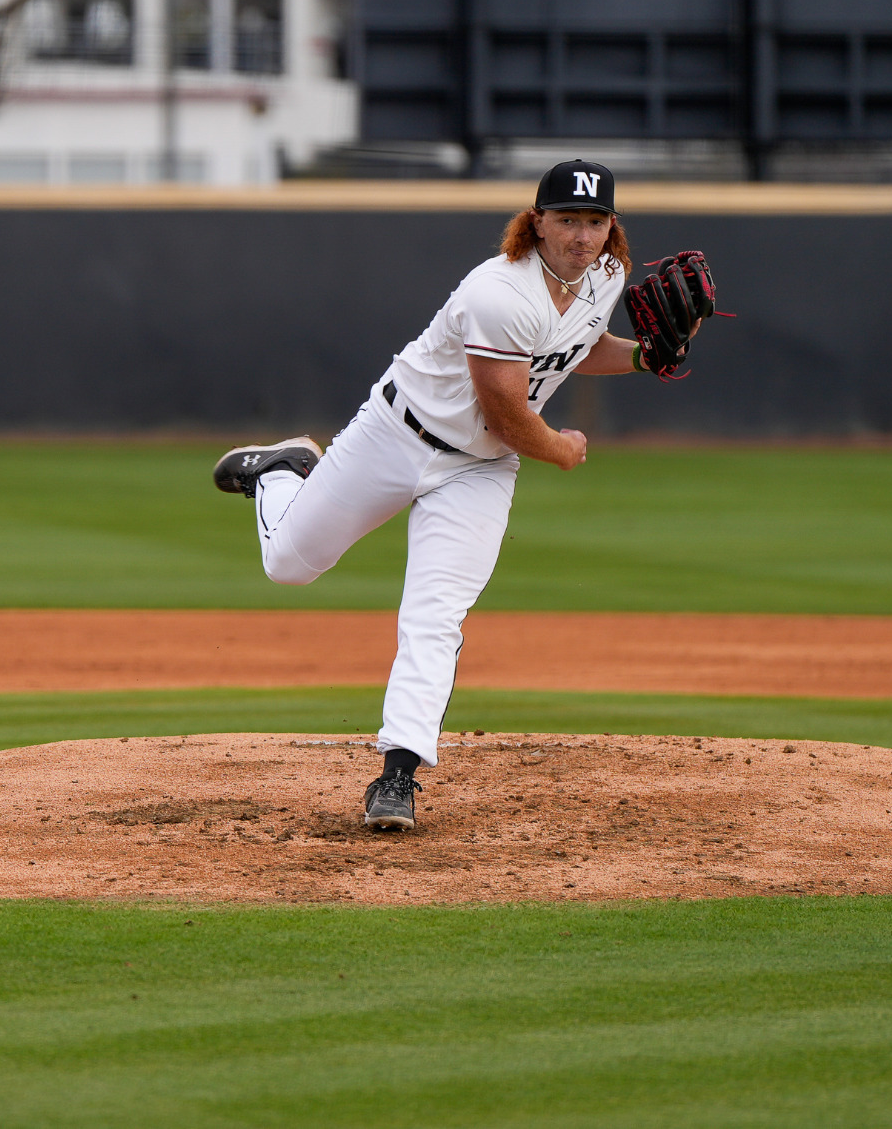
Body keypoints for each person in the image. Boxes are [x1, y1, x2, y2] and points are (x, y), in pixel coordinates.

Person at [213, 159, 687, 830]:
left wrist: (642, 355)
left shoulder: (606, 275)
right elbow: (510, 417)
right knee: (288, 564)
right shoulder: (497, 291)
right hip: (397, 434)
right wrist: (563, 447)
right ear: (537, 221)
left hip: (479, 471)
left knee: (434, 613)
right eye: (568, 220)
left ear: (612, 226)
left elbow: (571, 348)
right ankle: (281, 473)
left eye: (596, 221)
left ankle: (396, 777)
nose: (583, 236)